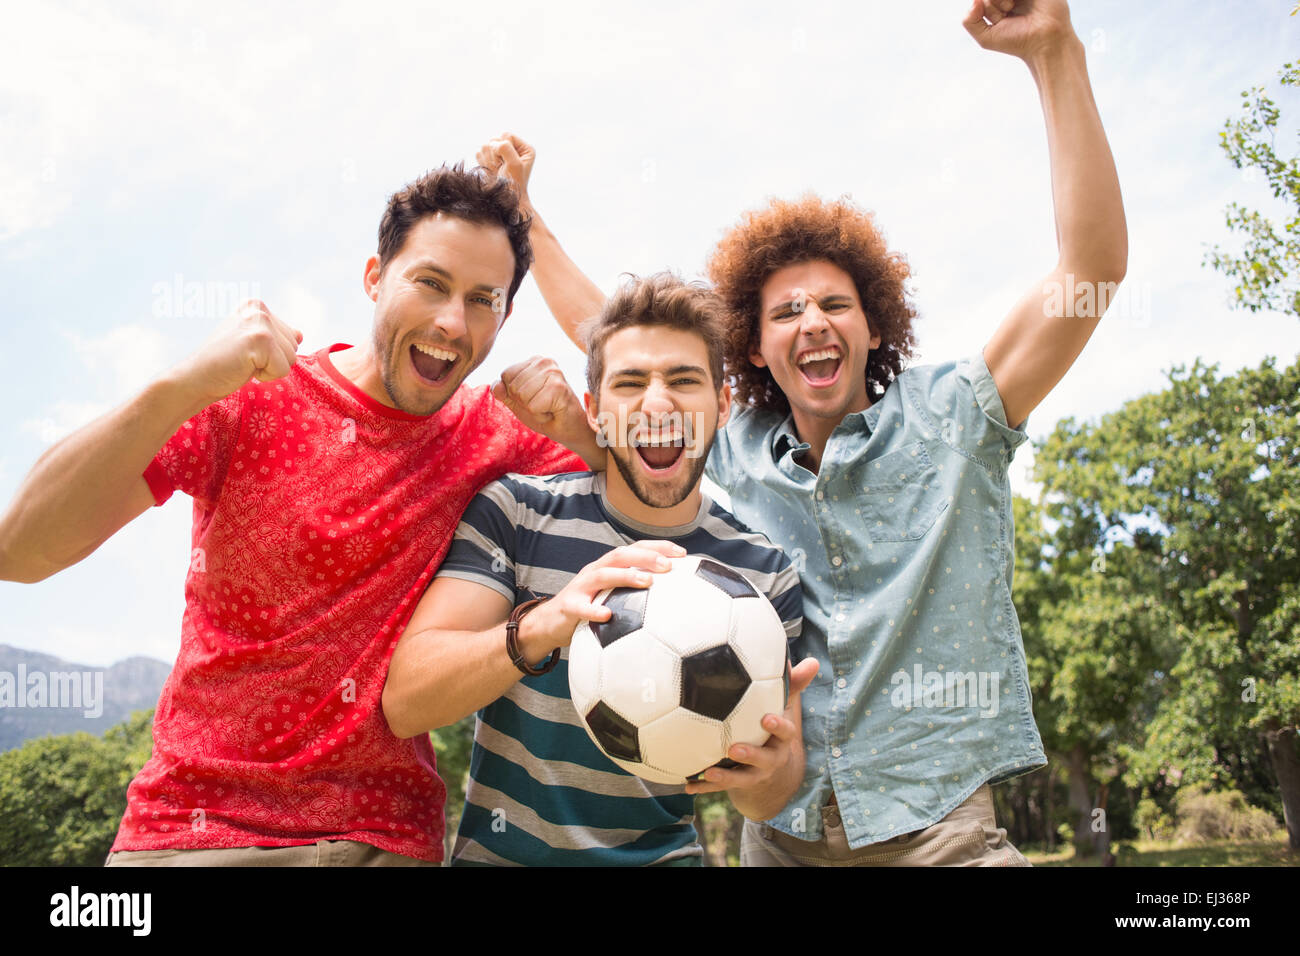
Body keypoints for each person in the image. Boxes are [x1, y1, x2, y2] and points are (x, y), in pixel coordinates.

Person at [479, 0, 1126, 865]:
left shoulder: (956, 417)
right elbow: (614, 335)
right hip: (776, 836)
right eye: (787, 311)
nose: (812, 322)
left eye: (835, 305)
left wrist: (1054, 54)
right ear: (754, 346)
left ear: (873, 327)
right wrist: (529, 218)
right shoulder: (732, 454)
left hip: (940, 831)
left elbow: (1090, 270)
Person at [0, 163, 604, 865]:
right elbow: (20, 550)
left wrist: (582, 436)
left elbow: (667, 451)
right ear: (375, 278)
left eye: (483, 300)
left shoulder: (501, 432)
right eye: (431, 283)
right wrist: (179, 385)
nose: (450, 321)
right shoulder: (250, 395)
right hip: (188, 832)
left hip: (373, 841)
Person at [382, 273, 815, 865]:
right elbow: (408, 703)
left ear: (722, 405)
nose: (658, 403)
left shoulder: (762, 573)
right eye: (631, 382)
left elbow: (769, 798)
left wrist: (766, 771)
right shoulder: (517, 512)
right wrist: (544, 624)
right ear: (596, 410)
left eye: (685, 381)